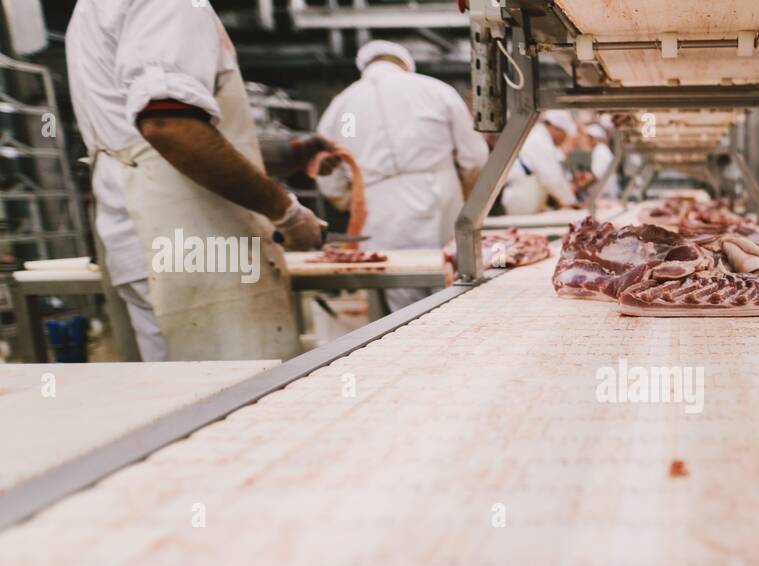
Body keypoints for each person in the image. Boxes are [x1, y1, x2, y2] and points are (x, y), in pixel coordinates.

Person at [66, 0, 326, 362]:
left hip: (150, 233)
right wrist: (288, 213)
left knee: (181, 394)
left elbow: (156, 136)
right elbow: (168, 127)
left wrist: (291, 151)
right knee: (227, 398)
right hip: (188, 245)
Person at [316, 41, 489, 312]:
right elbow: (475, 157)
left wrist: (346, 199)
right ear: (406, 65)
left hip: (377, 202)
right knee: (456, 281)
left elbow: (325, 167)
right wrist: (468, 194)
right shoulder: (435, 90)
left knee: (401, 293)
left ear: (363, 67)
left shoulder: (342, 105)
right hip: (440, 191)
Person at [502, 111, 578, 216]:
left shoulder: (541, 138)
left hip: (526, 198)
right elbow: (552, 178)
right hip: (521, 200)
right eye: (564, 135)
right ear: (556, 128)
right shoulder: (538, 140)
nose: (563, 140)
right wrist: (571, 203)